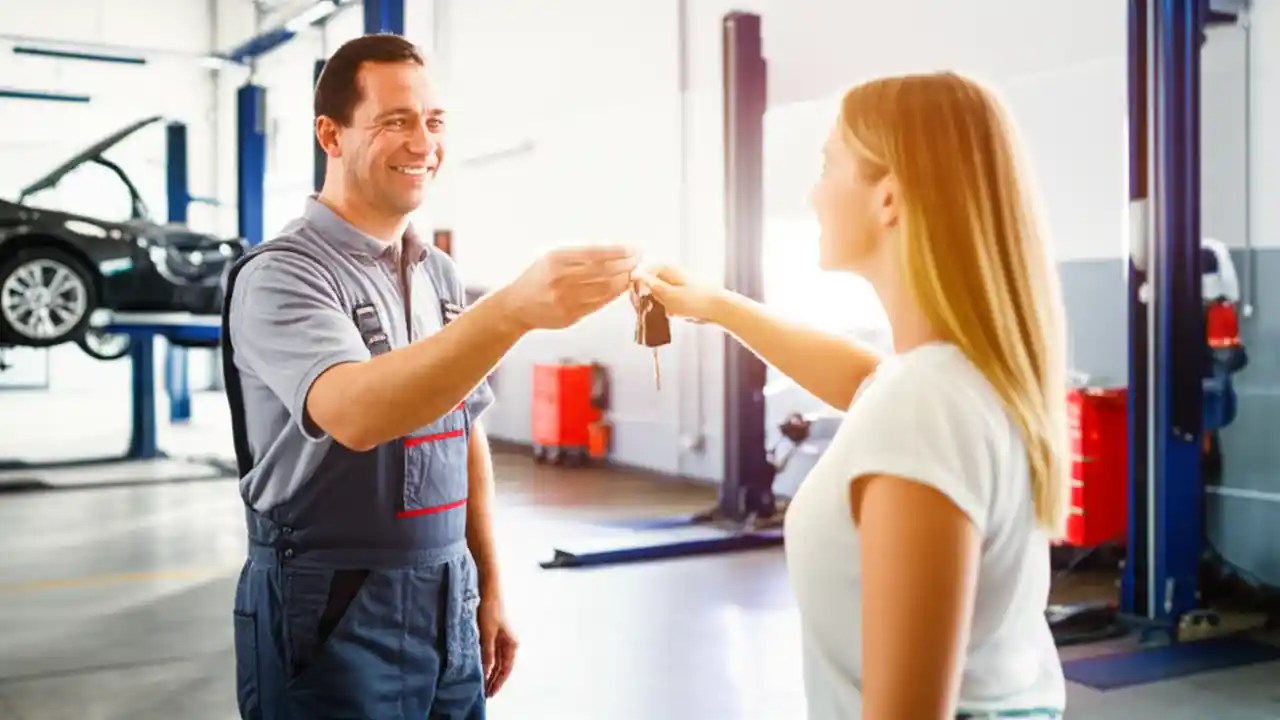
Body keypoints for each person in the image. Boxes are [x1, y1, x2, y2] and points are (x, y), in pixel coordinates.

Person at [221, 34, 636, 719]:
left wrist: (487, 584)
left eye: (434, 121)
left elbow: (462, 431)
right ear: (330, 134)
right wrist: (513, 310)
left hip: (449, 593)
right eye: (395, 121)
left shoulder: (437, 274)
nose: (423, 143)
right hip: (329, 603)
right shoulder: (283, 275)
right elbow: (356, 413)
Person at [635, 72, 1068, 719]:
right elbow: (868, 380)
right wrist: (717, 307)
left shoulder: (924, 407)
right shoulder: (956, 380)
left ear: (888, 198)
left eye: (827, 165)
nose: (812, 194)